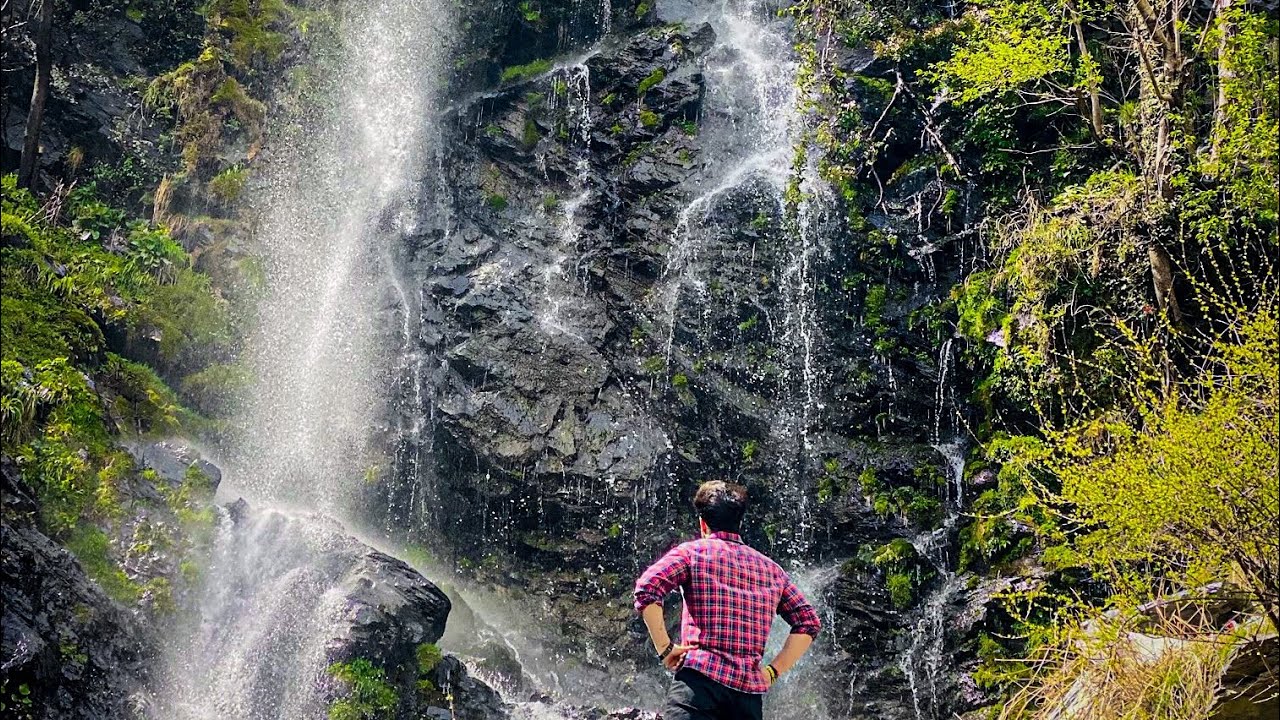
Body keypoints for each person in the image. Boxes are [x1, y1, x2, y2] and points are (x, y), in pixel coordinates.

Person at [633, 480, 821, 720]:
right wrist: (772, 672)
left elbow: (648, 587)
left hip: (699, 686)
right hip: (747, 699)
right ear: (739, 522)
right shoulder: (772, 570)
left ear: (703, 523)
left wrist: (665, 648)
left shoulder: (692, 553)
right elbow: (808, 621)